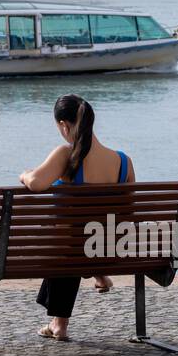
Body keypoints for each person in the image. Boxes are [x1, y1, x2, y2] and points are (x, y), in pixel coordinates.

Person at [18, 94, 128, 342]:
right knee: (75, 236)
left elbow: (36, 184)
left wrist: (24, 175)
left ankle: (60, 324)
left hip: (72, 249)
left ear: (64, 126)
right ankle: (95, 272)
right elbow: (127, 212)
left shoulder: (66, 156)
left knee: (64, 240)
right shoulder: (122, 161)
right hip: (107, 247)